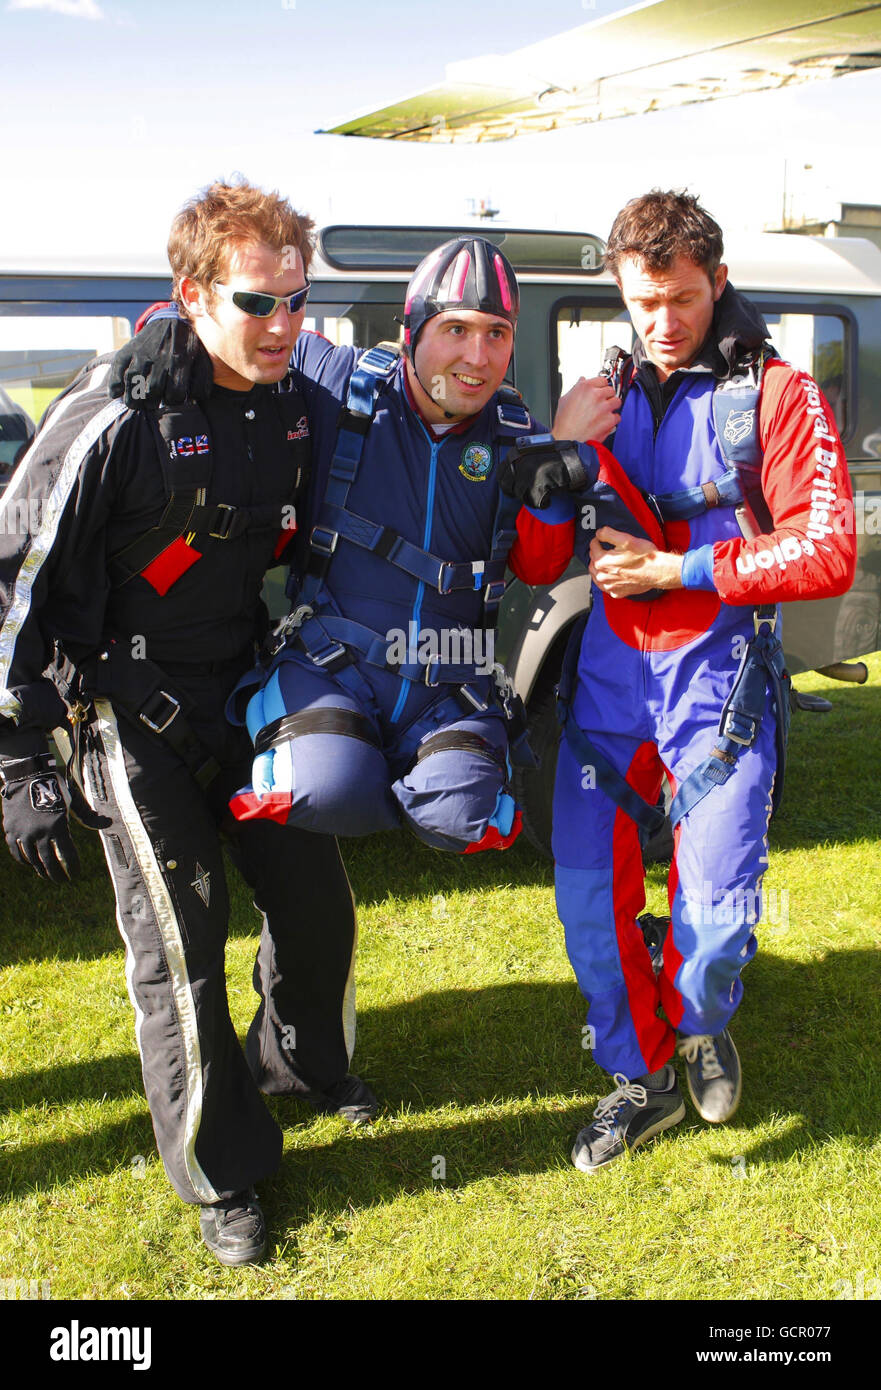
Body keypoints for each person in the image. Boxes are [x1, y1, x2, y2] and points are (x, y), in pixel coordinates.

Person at [0, 180, 376, 1268]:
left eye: (296, 304)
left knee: (315, 907)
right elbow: (13, 581)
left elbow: (417, 420)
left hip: (248, 692)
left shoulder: (299, 399)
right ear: (193, 293)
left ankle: (299, 1065)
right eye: (257, 303)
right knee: (184, 950)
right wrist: (19, 752)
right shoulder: (114, 409)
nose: (281, 327)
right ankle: (225, 1173)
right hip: (132, 714)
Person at [505, 190, 857, 1172]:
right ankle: (640, 1074)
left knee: (714, 925)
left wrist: (682, 571)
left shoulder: (777, 396)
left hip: (718, 688)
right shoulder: (601, 397)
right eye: (642, 301)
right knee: (585, 906)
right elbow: (536, 559)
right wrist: (559, 446)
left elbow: (827, 548)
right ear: (620, 290)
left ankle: (699, 1020)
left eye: (683, 299)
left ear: (718, 283)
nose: (662, 323)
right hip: (609, 692)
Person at [114, 236, 621, 855]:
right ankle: (326, 752)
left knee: (466, 820)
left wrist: (556, 462)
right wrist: (167, 324)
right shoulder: (343, 385)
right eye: (455, 329)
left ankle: (414, 771)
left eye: (496, 333)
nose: (478, 355)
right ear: (411, 332)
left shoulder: (517, 435)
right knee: (330, 791)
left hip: (448, 684)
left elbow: (538, 566)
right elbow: (241, 326)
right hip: (334, 665)